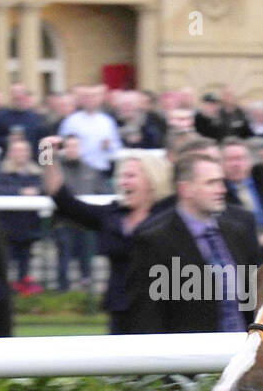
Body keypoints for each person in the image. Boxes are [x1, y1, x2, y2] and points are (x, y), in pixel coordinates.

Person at [42, 138, 172, 333]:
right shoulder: (112, 214)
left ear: (152, 180)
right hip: (120, 311)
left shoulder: (170, 215)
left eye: (131, 176)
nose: (123, 181)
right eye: (122, 176)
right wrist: (46, 153)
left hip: (161, 312)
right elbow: (62, 199)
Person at [123, 151, 259, 333]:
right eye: (211, 183)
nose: (222, 190)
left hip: (243, 353)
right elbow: (146, 315)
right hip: (188, 356)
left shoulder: (237, 233)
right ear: (186, 189)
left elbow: (254, 299)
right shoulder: (154, 241)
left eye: (221, 182)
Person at [50, 135, 108, 292]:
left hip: (85, 222)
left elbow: (103, 192)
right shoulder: (57, 169)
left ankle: (86, 289)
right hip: (63, 221)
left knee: (86, 252)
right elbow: (47, 180)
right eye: (69, 146)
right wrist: (46, 150)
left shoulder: (91, 170)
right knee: (65, 252)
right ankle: (62, 290)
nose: (72, 149)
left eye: (75, 146)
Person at [0, 137, 44, 295]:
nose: (20, 154)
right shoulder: (2, 173)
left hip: (29, 227)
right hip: (7, 228)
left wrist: (35, 191)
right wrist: (20, 192)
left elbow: (44, 188)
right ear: (10, 153)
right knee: (5, 262)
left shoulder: (36, 173)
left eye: (23, 150)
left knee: (25, 262)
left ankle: (24, 291)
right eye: (17, 150)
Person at [57, 85, 121, 178]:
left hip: (102, 170)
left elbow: (117, 146)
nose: (90, 100)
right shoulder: (71, 121)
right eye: (87, 97)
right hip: (78, 171)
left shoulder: (107, 121)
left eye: (94, 96)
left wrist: (109, 145)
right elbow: (62, 146)